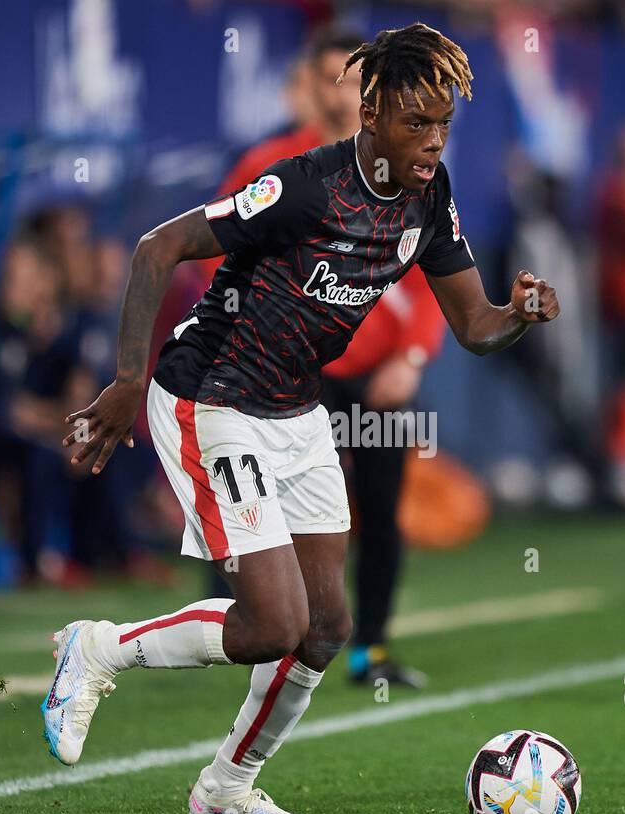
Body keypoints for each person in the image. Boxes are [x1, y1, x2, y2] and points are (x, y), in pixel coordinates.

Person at [41, 23, 560, 814]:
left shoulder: (430, 194)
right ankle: (98, 649)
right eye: (417, 122)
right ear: (373, 112)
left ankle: (225, 790)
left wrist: (520, 314)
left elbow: (475, 326)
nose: (432, 141)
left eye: (443, 125)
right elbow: (156, 247)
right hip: (209, 397)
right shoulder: (304, 188)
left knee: (325, 630)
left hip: (295, 408)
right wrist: (124, 379)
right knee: (269, 625)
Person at [197, 24, 444, 689]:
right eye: (333, 81)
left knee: (381, 511)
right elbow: (212, 250)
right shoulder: (275, 164)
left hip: (379, 379)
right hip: (294, 374)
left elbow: (433, 279)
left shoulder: (405, 165)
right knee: (258, 501)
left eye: (358, 82)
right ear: (308, 86)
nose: (345, 97)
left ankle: (373, 651)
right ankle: (238, 628)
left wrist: (413, 357)